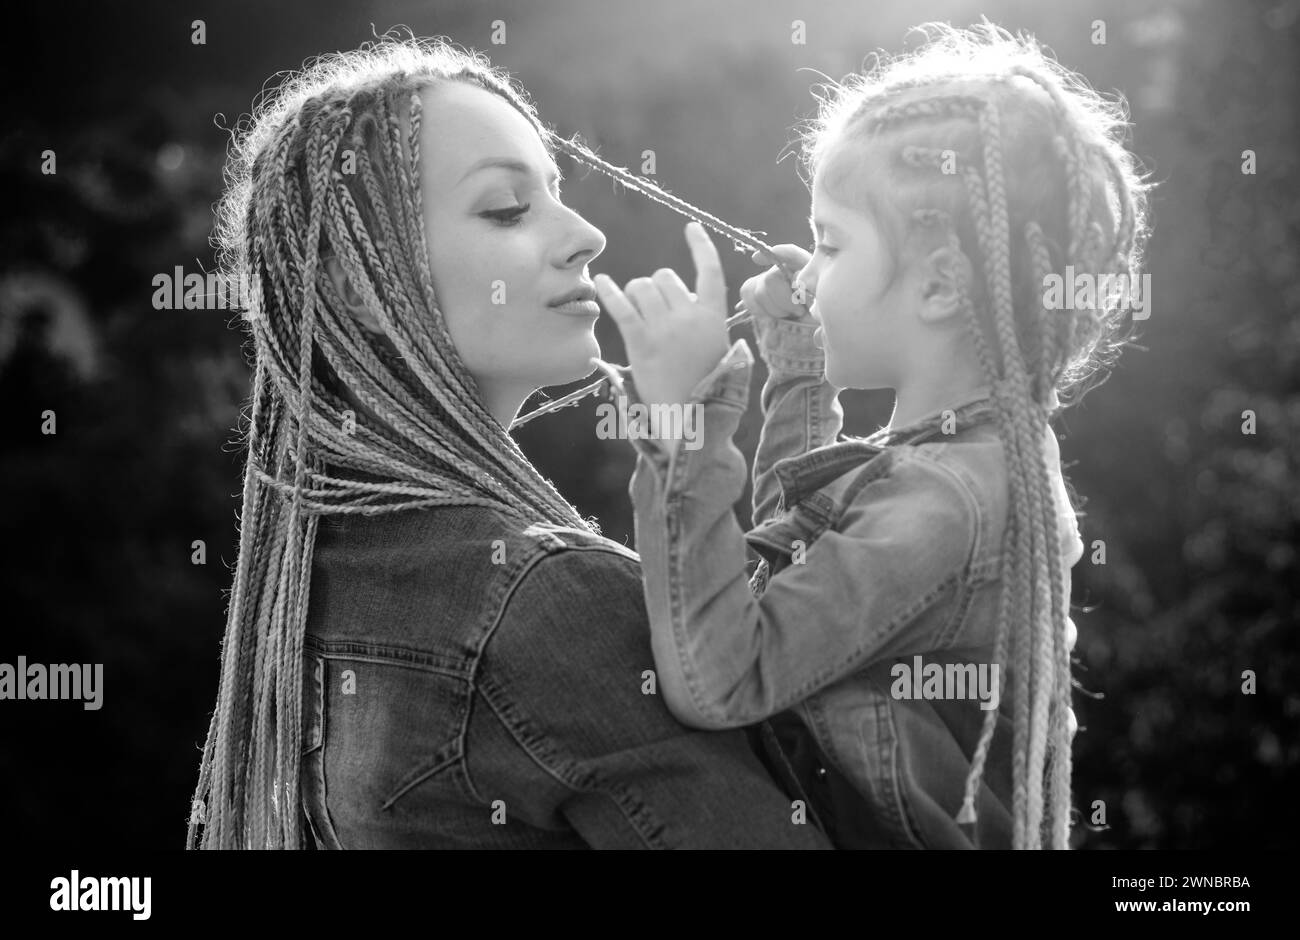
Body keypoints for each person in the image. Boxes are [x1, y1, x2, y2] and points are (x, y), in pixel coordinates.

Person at [186, 36, 830, 850]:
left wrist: (799, 385)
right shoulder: (543, 600)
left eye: (558, 194)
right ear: (358, 285)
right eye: (507, 209)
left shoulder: (312, 581)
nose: (587, 235)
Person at [595, 23, 1150, 849]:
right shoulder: (972, 455)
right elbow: (807, 559)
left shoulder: (944, 503)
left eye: (830, 241)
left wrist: (685, 424)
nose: (810, 273)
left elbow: (723, 676)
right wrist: (800, 373)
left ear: (937, 285)